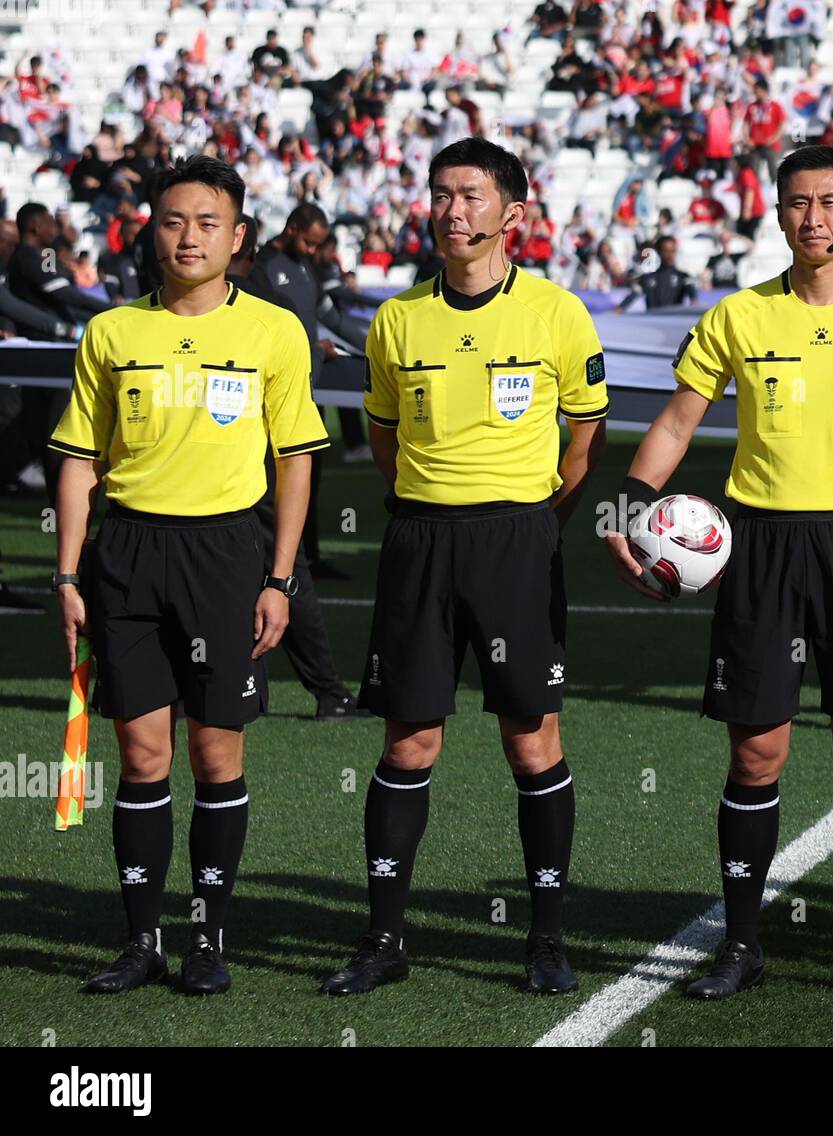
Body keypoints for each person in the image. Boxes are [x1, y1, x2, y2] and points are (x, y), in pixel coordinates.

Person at [605, 145, 833, 1001]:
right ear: (778, 213)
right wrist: (624, 511)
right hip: (758, 548)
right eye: (798, 202)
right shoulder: (739, 318)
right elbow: (677, 423)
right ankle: (743, 943)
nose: (814, 217)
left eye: (831, 201)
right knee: (757, 751)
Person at [320, 138, 609, 997]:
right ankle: (383, 939)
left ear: (513, 213)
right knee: (409, 739)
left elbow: (584, 442)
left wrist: (525, 516)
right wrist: (433, 503)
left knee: (532, 738)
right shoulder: (397, 319)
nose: (454, 210)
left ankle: (546, 940)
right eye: (442, 193)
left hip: (517, 543)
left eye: (473, 196)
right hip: (419, 543)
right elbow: (382, 436)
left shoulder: (558, 313)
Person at [49, 155, 328, 996]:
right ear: (153, 232)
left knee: (214, 755)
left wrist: (279, 579)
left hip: (224, 558)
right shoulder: (111, 332)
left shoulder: (274, 330)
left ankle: (207, 938)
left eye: (209, 223)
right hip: (126, 557)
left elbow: (296, 461)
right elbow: (77, 462)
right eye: (174, 221)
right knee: (141, 755)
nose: (189, 237)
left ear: (238, 237)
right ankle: (143, 942)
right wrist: (66, 574)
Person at [227, 215, 368, 721]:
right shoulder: (247, 294)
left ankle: (256, 686)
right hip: (259, 449)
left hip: (283, 432)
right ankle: (324, 691)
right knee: (283, 574)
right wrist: (314, 348)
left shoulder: (298, 273)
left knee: (272, 560)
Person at [614, 236, 697, 311]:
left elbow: (694, 298)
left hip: (673, 322)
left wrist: (694, 303)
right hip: (652, 322)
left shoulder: (684, 277)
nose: (669, 255)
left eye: (672, 251)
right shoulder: (646, 278)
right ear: (658, 252)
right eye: (665, 251)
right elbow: (630, 298)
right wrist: (616, 311)